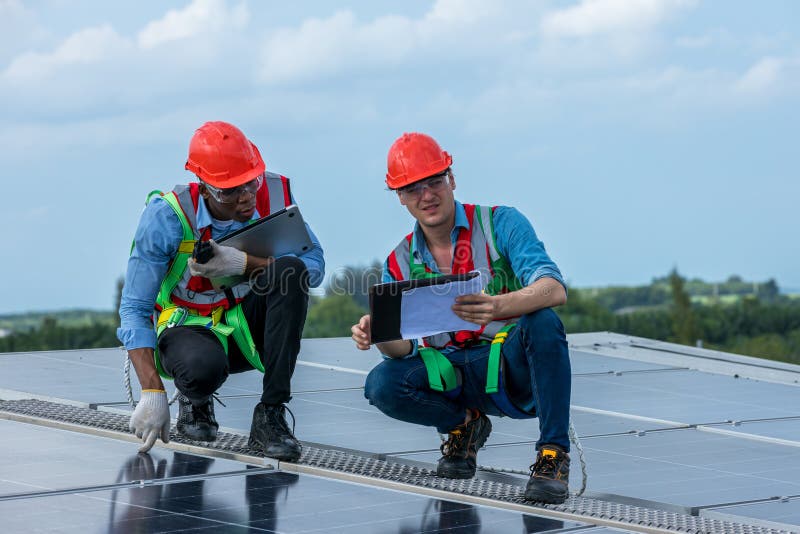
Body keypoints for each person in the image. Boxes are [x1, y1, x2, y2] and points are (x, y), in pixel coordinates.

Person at [351, 132, 571, 504]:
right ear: (400, 198)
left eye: (435, 181)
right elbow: (400, 350)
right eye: (412, 189)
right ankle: (464, 427)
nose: (427, 196)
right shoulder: (398, 261)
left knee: (543, 321)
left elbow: (553, 288)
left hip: (509, 367)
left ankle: (553, 455)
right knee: (382, 384)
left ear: (451, 179)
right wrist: (378, 332)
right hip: (449, 374)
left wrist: (500, 307)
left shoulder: (501, 223)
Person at [118, 121, 324, 461]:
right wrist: (152, 390)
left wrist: (244, 264)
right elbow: (134, 309)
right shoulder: (168, 216)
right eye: (229, 191)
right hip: (189, 327)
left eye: (250, 183)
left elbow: (313, 266)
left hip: (248, 324)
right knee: (201, 370)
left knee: (291, 271)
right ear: (204, 185)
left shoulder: (273, 195)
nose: (245, 198)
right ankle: (194, 396)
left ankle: (270, 415)